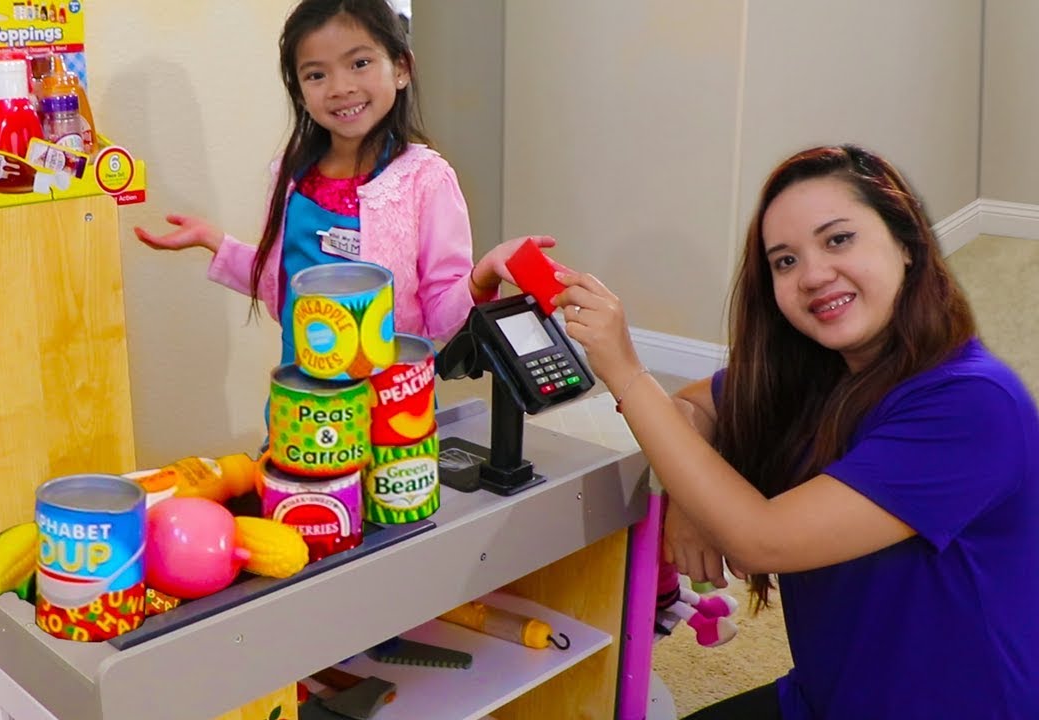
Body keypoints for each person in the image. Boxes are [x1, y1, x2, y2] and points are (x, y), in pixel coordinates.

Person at [555, 145, 1039, 719]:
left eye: (838, 240)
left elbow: (763, 540)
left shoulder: (973, 406)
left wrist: (625, 372)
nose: (812, 275)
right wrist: (688, 496)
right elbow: (693, 408)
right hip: (827, 698)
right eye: (785, 261)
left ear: (907, 244)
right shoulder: (823, 369)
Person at [135, 0, 547, 367]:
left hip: (393, 413)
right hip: (303, 408)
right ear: (298, 92)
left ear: (401, 69)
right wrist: (217, 243)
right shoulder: (290, 174)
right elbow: (286, 285)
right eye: (316, 75)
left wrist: (483, 276)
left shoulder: (426, 179)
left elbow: (440, 317)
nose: (341, 88)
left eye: (360, 63)